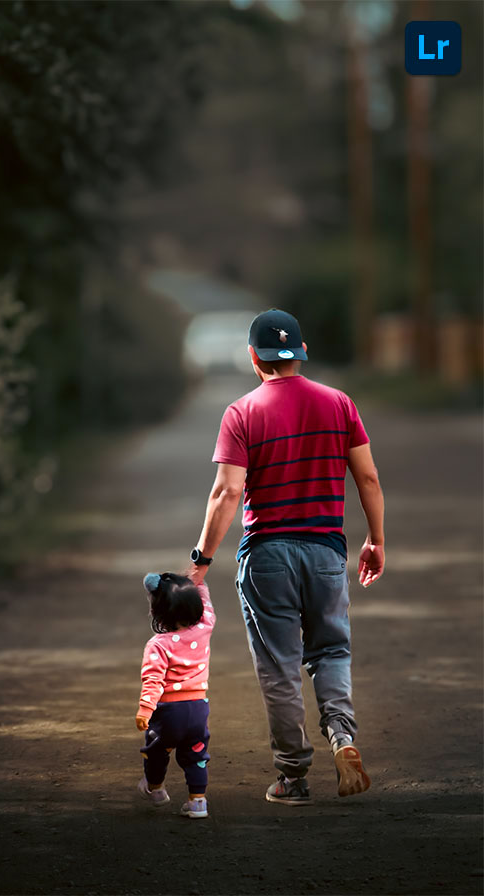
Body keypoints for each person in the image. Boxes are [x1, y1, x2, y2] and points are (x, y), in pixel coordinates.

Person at [186, 308, 385, 806]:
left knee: (279, 666)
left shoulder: (241, 412)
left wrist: (201, 559)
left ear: (254, 357)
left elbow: (227, 492)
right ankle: (342, 737)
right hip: (325, 551)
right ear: (300, 353)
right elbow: (368, 479)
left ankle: (293, 776)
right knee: (331, 651)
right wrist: (375, 539)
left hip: (268, 554)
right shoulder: (339, 403)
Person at [135, 572, 216, 819]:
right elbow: (207, 602)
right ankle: (198, 802)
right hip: (198, 708)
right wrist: (198, 579)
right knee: (196, 755)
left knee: (157, 751)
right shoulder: (205, 626)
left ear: (159, 613)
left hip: (170, 712)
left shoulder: (158, 644)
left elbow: (153, 681)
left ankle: (156, 788)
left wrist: (145, 710)